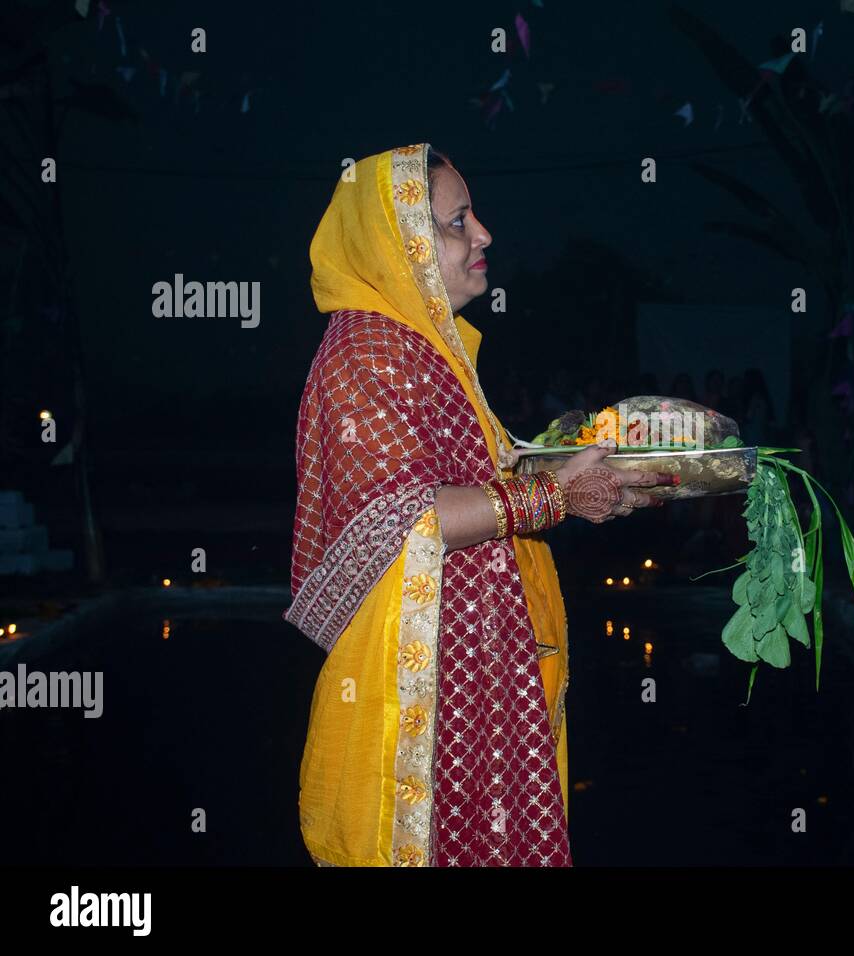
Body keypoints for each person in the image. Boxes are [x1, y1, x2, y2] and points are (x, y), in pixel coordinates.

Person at [286, 144, 675, 867]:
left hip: (471, 674)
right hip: (417, 692)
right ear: (400, 242)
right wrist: (556, 495)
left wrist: (606, 471)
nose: (484, 234)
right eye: (457, 220)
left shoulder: (425, 350)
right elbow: (405, 518)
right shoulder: (366, 352)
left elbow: (483, 482)